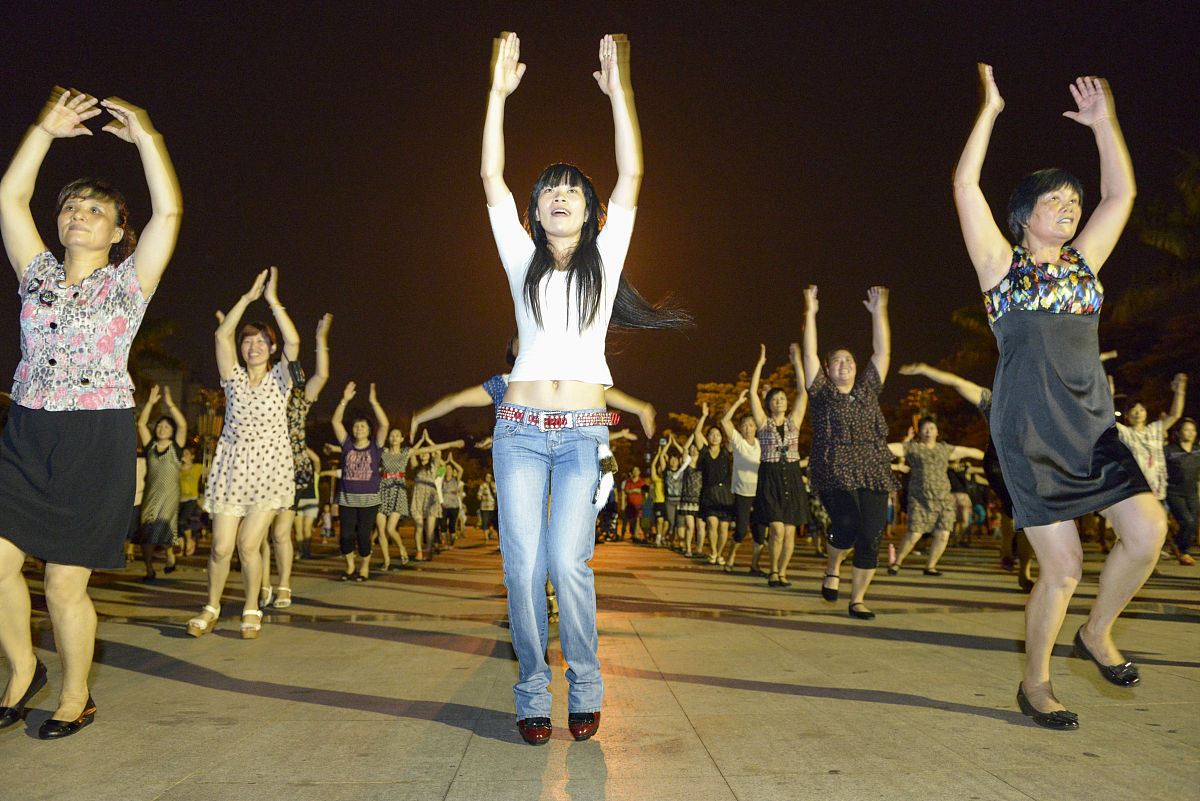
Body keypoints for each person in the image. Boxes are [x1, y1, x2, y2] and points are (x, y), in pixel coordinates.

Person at [481, 31, 687, 745]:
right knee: (521, 565)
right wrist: (497, 96)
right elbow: (489, 179)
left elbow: (633, 174)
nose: (559, 195)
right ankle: (532, 684)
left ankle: (587, 682)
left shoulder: (604, 258)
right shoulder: (518, 260)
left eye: (573, 188)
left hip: (581, 436)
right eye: (549, 191)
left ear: (591, 212)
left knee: (567, 562)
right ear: (535, 213)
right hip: (518, 430)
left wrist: (618, 89)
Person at [953, 65, 1164, 729]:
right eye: (1055, 202)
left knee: (1148, 531)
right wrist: (989, 109)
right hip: (1031, 436)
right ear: (1024, 217)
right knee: (1064, 567)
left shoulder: (1085, 265)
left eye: (1074, 202)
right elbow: (964, 184)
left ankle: (1097, 632)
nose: (1071, 209)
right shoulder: (1000, 268)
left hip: (1094, 429)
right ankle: (1037, 682)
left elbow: (1121, 194)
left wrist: (1105, 125)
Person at [0, 88, 181, 739]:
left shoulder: (129, 282)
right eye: (72, 205)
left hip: (94, 434)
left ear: (116, 231)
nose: (80, 213)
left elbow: (170, 210)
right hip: (27, 429)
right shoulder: (38, 274)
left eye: (96, 208)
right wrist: (42, 130)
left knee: (61, 584)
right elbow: (10, 199)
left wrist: (150, 140)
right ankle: (23, 669)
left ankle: (77, 693)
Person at [191, 268, 297, 640]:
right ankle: (211, 607)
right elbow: (222, 334)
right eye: (248, 341)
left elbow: (294, 343)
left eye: (260, 342)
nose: (252, 346)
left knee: (248, 544)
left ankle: (251, 607)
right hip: (232, 469)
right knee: (220, 548)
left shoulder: (282, 379)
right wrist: (247, 299)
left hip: (269, 470)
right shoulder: (232, 377)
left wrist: (273, 302)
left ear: (271, 349)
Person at [802, 285, 896, 621]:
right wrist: (811, 313)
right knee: (846, 523)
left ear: (856, 369)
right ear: (828, 370)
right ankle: (832, 566)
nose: (844, 364)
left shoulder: (869, 391)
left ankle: (857, 600)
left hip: (873, 467)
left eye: (849, 360)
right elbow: (809, 355)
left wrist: (877, 313)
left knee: (870, 535)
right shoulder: (823, 394)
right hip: (833, 468)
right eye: (837, 361)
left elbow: (882, 353)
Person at [898, 361, 1035, 590]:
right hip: (999, 463)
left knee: (1022, 514)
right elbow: (957, 382)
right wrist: (924, 369)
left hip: (1027, 464)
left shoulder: (1037, 401)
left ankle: (1021, 568)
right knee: (1021, 510)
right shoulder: (992, 399)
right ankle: (1010, 555)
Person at [261, 313, 331, 606]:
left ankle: (284, 585)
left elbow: (323, 375)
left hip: (291, 469)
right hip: (262, 466)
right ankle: (263, 584)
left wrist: (320, 338)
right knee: (258, 532)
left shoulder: (300, 397)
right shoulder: (263, 392)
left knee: (279, 531)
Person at [886, 418, 984, 575]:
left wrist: (993, 456)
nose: (928, 431)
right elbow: (889, 448)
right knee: (914, 534)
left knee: (943, 533)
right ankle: (896, 563)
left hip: (943, 499)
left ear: (937, 432)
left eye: (932, 428)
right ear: (919, 432)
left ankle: (930, 566)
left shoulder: (944, 449)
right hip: (919, 498)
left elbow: (969, 452)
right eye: (925, 428)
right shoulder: (913, 448)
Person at [747, 344, 810, 586]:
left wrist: (797, 364)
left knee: (791, 532)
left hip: (792, 477)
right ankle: (772, 570)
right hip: (771, 478)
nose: (780, 402)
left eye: (783, 398)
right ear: (769, 403)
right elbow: (753, 393)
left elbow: (803, 393)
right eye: (775, 399)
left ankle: (782, 572)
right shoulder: (763, 424)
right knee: (777, 530)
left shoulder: (794, 421)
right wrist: (760, 364)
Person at [331, 381, 388, 581]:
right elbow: (335, 422)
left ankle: (364, 567)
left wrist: (374, 403)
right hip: (347, 499)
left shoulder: (375, 446)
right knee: (345, 536)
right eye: (356, 425)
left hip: (369, 501)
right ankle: (350, 566)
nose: (359, 428)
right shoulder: (347, 445)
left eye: (363, 426)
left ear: (369, 430)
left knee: (363, 536)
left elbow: (385, 425)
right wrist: (344, 401)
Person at [134, 385, 188, 581]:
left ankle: (170, 556)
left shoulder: (177, 447)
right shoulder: (150, 447)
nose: (162, 429)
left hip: (170, 495)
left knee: (166, 527)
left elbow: (183, 425)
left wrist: (170, 404)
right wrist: (150, 403)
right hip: (151, 495)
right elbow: (141, 424)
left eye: (166, 426)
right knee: (147, 530)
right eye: (159, 426)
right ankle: (149, 569)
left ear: (172, 431)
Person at [1114, 375, 1187, 510]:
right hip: (1133, 489)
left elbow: (1175, 414)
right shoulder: (1123, 432)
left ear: (1146, 413)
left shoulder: (1154, 430)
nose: (1138, 413)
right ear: (1127, 415)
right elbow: (1106, 420)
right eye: (1134, 410)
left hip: (1155, 488)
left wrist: (1179, 391)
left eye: (1141, 410)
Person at [693, 404, 734, 565]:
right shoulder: (703, 452)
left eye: (718, 434)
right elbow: (696, 433)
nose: (715, 437)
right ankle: (714, 552)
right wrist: (703, 416)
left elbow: (732, 436)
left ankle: (720, 554)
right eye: (711, 434)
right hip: (709, 493)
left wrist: (727, 417)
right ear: (708, 437)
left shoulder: (726, 451)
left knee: (724, 528)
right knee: (711, 523)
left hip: (725, 493)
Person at [1165, 419, 1199, 565]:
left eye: (1193, 430)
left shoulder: (1198, 450)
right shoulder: (1169, 451)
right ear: (1178, 433)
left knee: (1193, 522)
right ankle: (1183, 551)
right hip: (1174, 492)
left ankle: (1177, 546)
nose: (1190, 433)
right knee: (1187, 520)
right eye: (1186, 430)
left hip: (1192, 493)